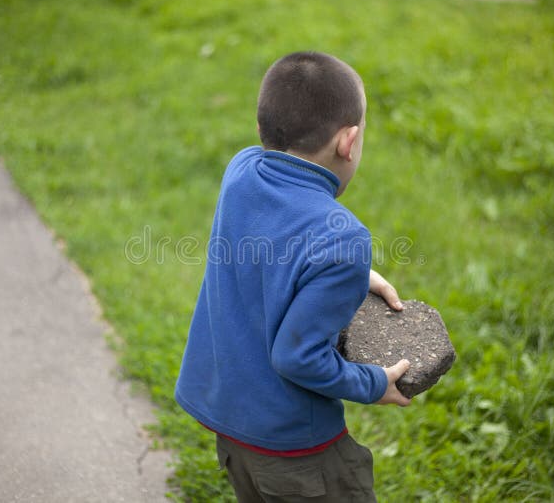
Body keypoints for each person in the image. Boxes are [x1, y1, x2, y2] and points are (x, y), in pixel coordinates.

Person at [175, 51, 411, 502]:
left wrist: (350, 274)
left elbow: (272, 245)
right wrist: (374, 383)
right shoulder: (343, 239)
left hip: (232, 429)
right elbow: (297, 357)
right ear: (348, 142)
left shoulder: (240, 172)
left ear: (262, 126)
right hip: (298, 454)